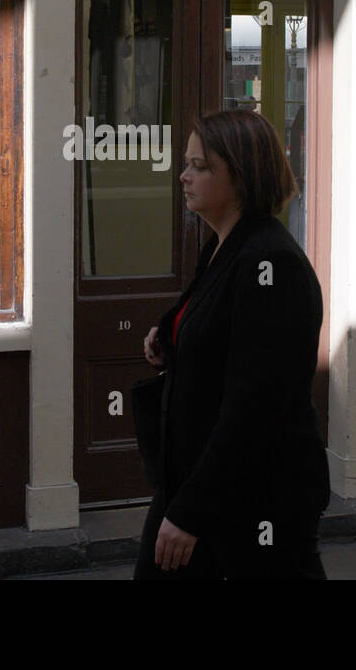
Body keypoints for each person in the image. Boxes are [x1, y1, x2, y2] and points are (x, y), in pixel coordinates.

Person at [134, 109, 330, 580]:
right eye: (187, 163)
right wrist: (171, 337)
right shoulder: (226, 246)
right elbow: (218, 331)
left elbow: (256, 405)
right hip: (200, 484)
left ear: (242, 176)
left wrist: (191, 512)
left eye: (201, 166)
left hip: (249, 500)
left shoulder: (270, 263)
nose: (184, 176)